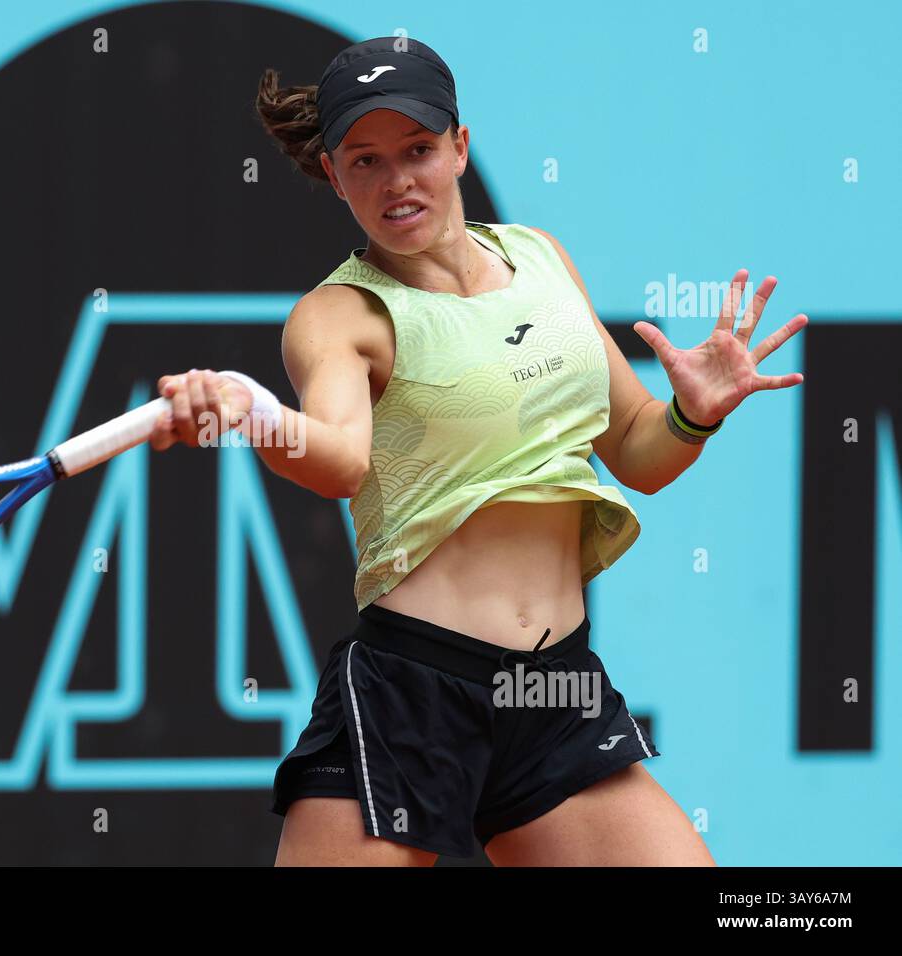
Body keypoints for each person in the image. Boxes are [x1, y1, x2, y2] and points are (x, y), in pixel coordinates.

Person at [148, 37, 807, 866]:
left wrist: (693, 414)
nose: (397, 182)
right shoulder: (339, 314)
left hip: (552, 688)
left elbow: (639, 453)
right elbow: (339, 459)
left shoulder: (541, 257)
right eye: (366, 161)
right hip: (411, 694)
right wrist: (252, 412)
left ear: (460, 146)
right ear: (332, 171)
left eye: (419, 150)